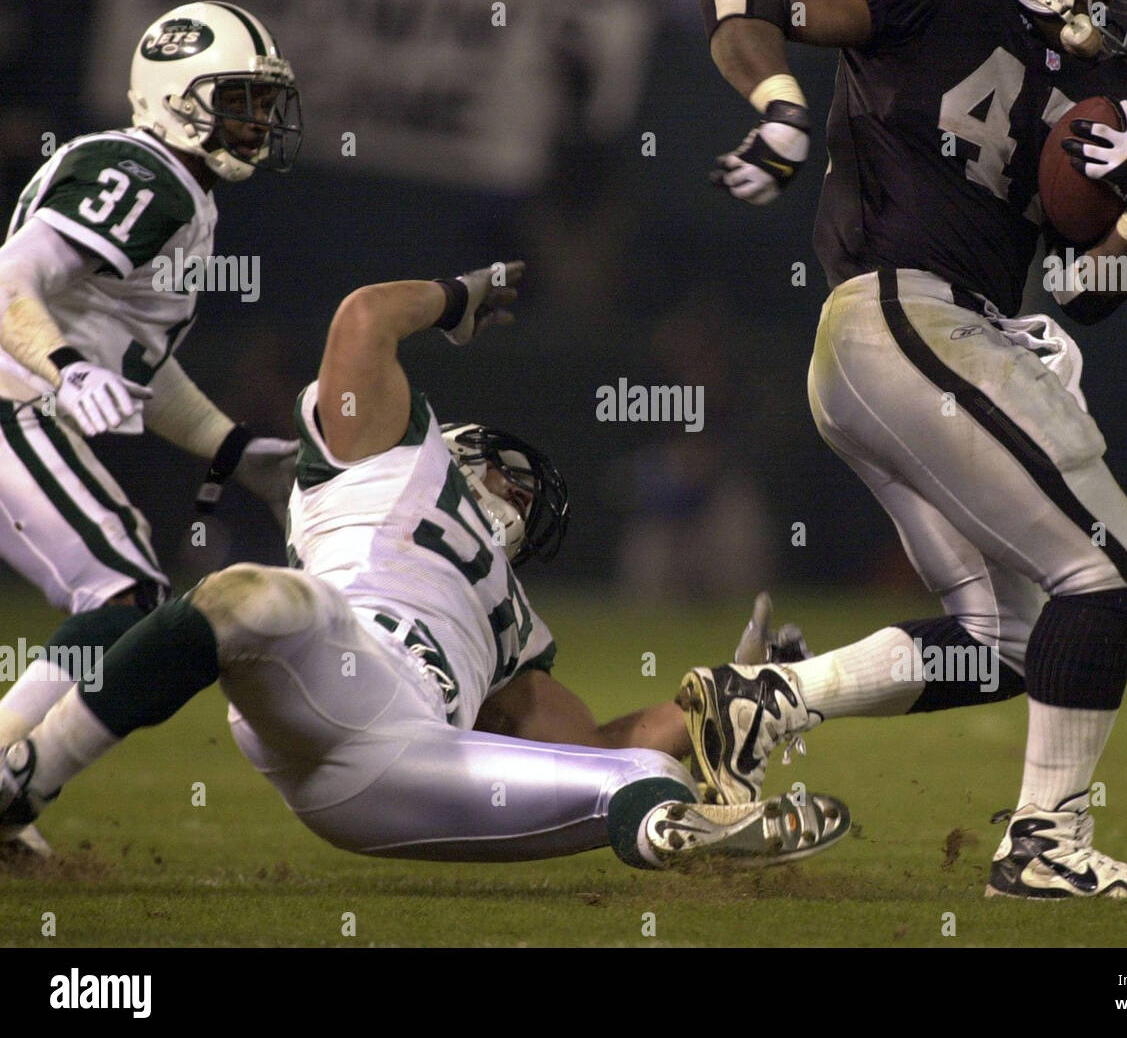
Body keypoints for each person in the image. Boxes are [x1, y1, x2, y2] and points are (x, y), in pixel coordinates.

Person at [681, 0, 1127, 898]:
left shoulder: (1107, 94)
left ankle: (765, 698)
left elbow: (1087, 293)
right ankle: (1045, 843)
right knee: (1111, 559)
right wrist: (778, 108)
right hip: (906, 316)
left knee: (1001, 644)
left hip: (924, 344)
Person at [0, 264, 849, 870]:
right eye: (505, 476)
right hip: (333, 663)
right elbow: (364, 316)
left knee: (642, 775)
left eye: (525, 497)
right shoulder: (383, 454)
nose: (514, 495)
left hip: (404, 765)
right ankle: (28, 777)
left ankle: (684, 832)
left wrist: (731, 693)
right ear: (456, 449)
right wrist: (456, 297)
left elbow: (593, 740)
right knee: (248, 596)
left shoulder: (508, 617)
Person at [0, 4, 304, 838]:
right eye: (238, 100)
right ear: (176, 96)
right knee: (125, 589)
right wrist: (63, 369)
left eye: (263, 103)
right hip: (9, 398)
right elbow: (8, 281)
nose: (258, 122)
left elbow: (140, 367)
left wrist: (233, 449)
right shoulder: (147, 177)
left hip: (21, 398)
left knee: (126, 590)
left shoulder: (183, 196)